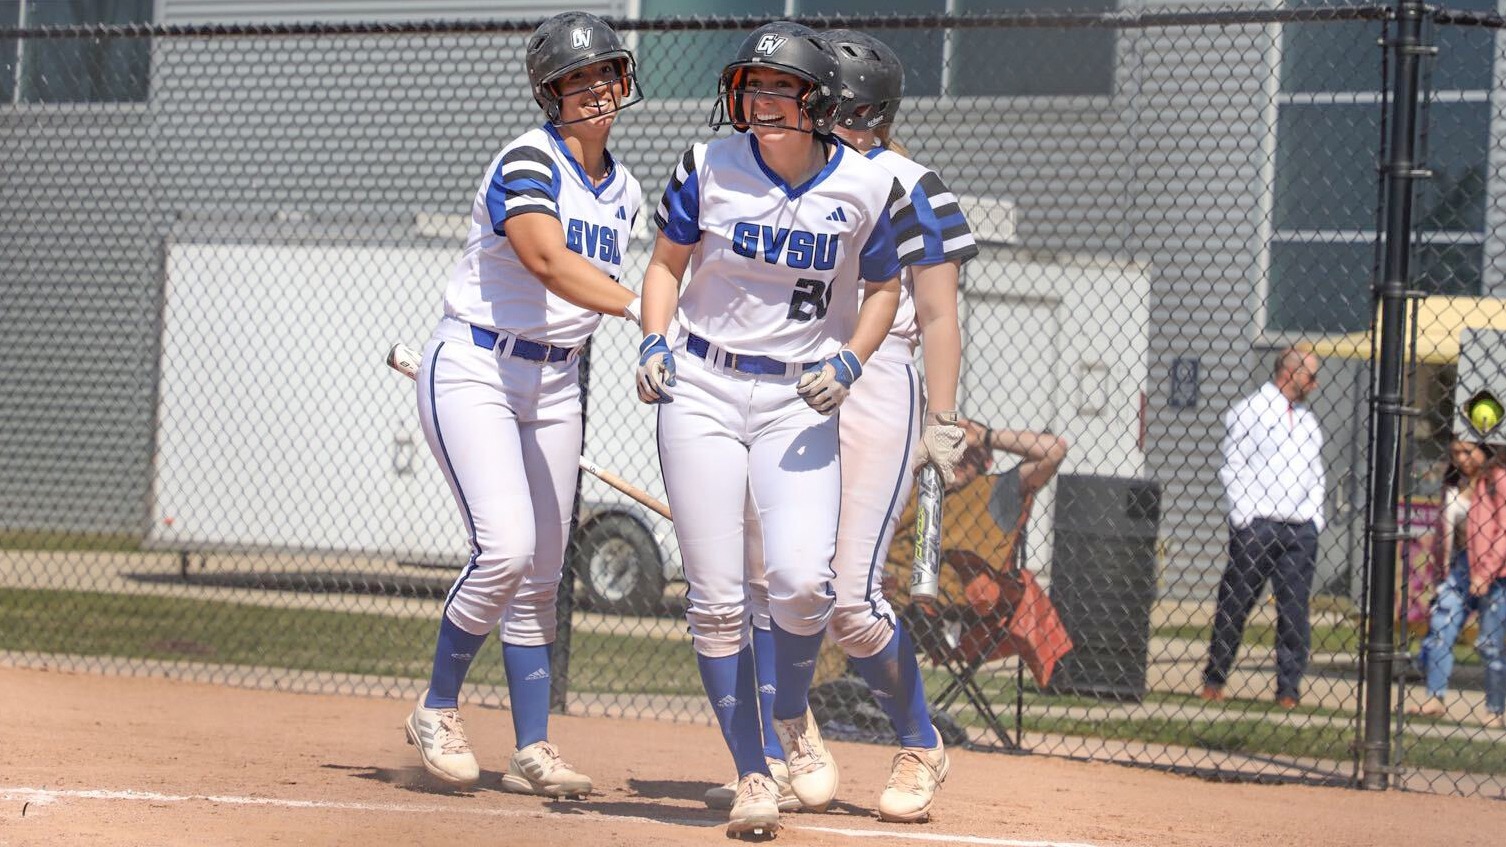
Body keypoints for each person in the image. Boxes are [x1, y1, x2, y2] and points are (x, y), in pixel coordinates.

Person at [635, 21, 907, 836]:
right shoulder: (708, 165)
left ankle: (790, 711)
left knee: (801, 582)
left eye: (777, 88)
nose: (757, 101)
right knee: (718, 598)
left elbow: (886, 290)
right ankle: (754, 772)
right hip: (705, 388)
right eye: (751, 87)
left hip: (800, 397)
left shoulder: (862, 186)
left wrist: (855, 358)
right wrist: (654, 337)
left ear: (817, 102)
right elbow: (664, 266)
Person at [704, 28, 979, 826]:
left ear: (865, 111)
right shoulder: (787, 170)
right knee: (766, 586)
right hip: (787, 386)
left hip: (875, 387)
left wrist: (946, 417)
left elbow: (936, 314)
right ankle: (782, 754)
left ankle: (920, 742)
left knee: (850, 601)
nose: (816, 113)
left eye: (832, 103)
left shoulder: (905, 183)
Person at [403, 11, 645, 795]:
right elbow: (544, 258)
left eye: (606, 72)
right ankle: (437, 706)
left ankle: (532, 747)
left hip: (555, 379)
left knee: (542, 573)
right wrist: (642, 307)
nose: (597, 89)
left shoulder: (629, 193)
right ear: (551, 93)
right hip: (475, 364)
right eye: (578, 79)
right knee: (504, 548)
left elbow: (591, 298)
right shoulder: (528, 158)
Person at [1200, 347, 1324, 709]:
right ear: (1289, 373)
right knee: (1236, 601)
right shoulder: (1250, 411)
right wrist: (1245, 518)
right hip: (1259, 525)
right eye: (1310, 376)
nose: (1315, 384)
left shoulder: (1307, 421)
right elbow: (1233, 465)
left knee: (1294, 611)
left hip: (1299, 528)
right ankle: (1215, 676)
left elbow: (1316, 473)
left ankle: (1288, 688)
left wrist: (1315, 518)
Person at [1410, 440, 1506, 728]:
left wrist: (1485, 573)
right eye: (1454, 453)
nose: (1461, 459)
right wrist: (1442, 572)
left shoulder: (1497, 478)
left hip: (1497, 570)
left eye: (1467, 452)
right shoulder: (1457, 482)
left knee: (1491, 642)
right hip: (1464, 565)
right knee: (1442, 622)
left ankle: (1496, 708)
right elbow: (1444, 532)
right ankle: (1435, 697)